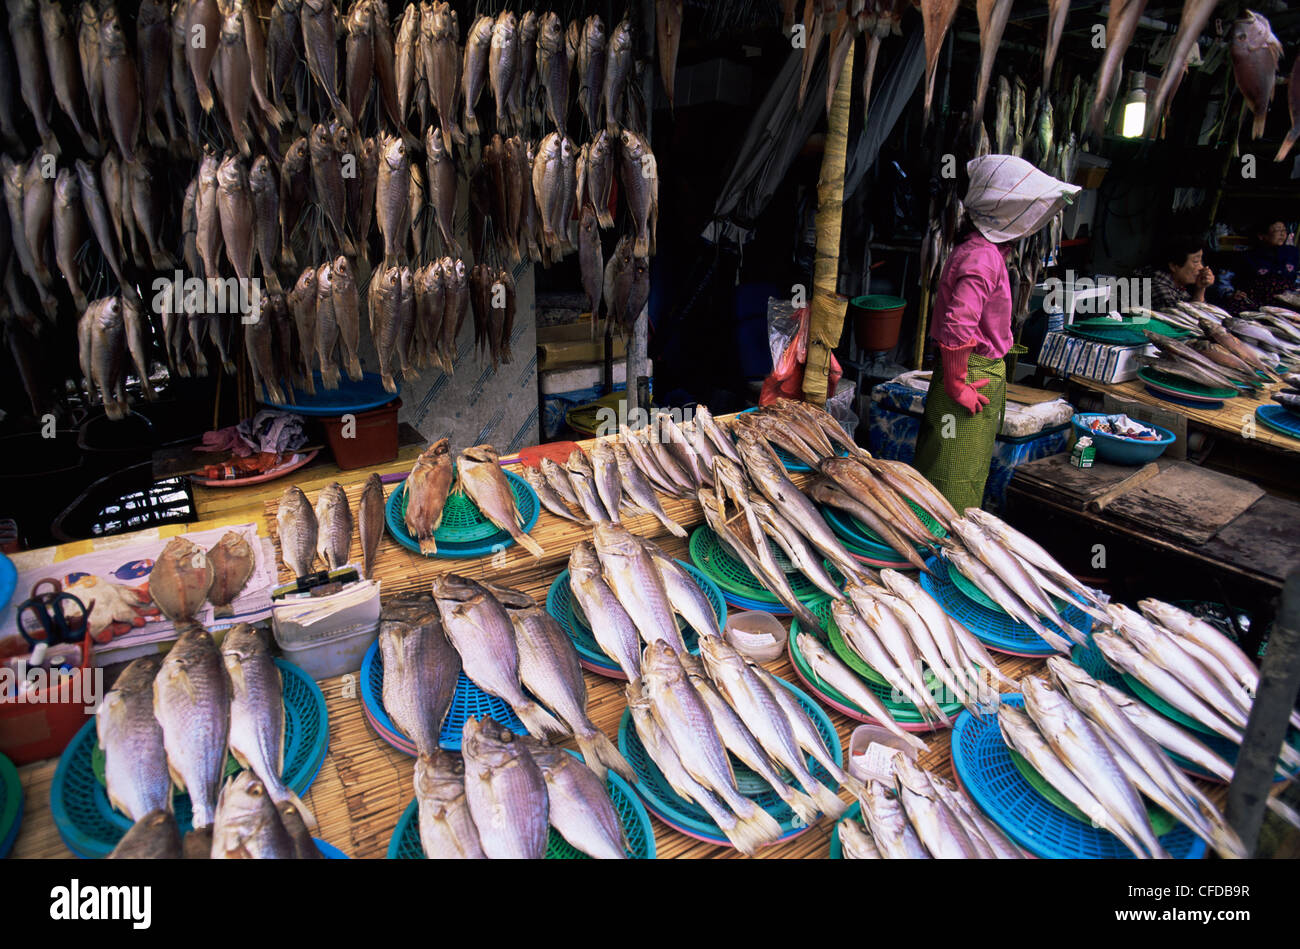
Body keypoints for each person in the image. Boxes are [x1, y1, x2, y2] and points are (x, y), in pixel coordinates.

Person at [914, 155, 1079, 513]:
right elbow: (959, 323)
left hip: (973, 374)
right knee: (950, 480)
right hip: (969, 375)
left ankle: (943, 539)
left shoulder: (981, 251)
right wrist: (958, 383)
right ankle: (939, 551)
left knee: (959, 470)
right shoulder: (982, 258)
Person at [1225, 218, 1299, 313]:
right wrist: (1229, 293)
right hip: (1257, 300)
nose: (1282, 234)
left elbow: (1296, 277)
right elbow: (1226, 278)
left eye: (1284, 230)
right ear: (1262, 236)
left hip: (1286, 302)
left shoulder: (1292, 253)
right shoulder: (1248, 256)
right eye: (1277, 230)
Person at [1146, 236, 1214, 310]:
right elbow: (1189, 319)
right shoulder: (1160, 291)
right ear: (1174, 266)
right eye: (1196, 261)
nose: (1201, 267)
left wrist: (1200, 289)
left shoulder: (1176, 285)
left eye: (1200, 261)